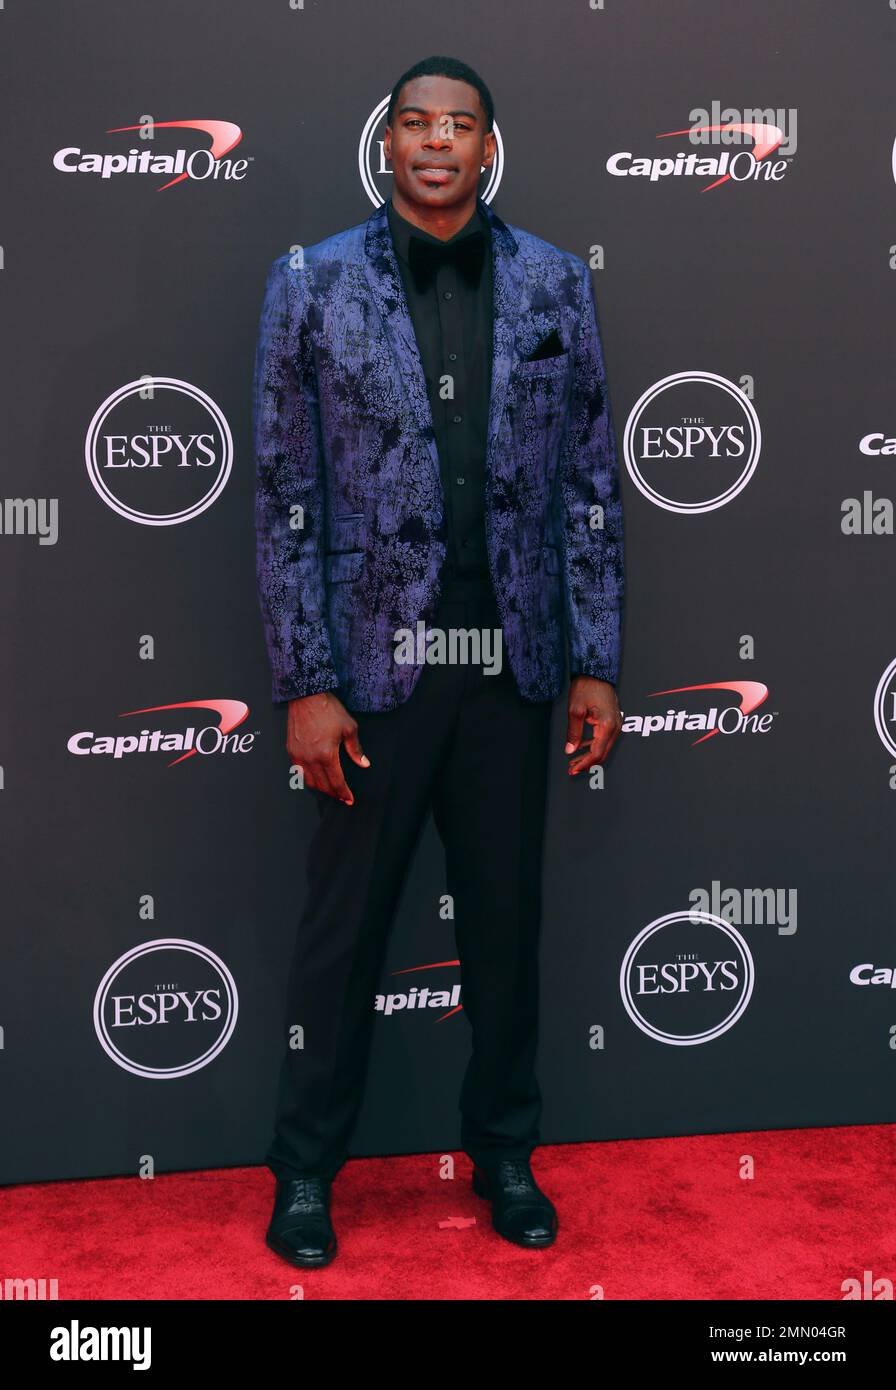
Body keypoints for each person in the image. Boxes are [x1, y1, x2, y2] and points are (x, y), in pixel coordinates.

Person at [253, 54, 624, 1268]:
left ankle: (504, 1154)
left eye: (456, 125)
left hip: (512, 664)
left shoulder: (558, 286)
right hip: (371, 667)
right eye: (414, 121)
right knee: (341, 934)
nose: (433, 141)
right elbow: (282, 495)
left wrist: (594, 659)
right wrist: (304, 681)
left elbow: (584, 490)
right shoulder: (309, 283)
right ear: (386, 143)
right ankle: (305, 1172)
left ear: (485, 147)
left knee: (506, 927)